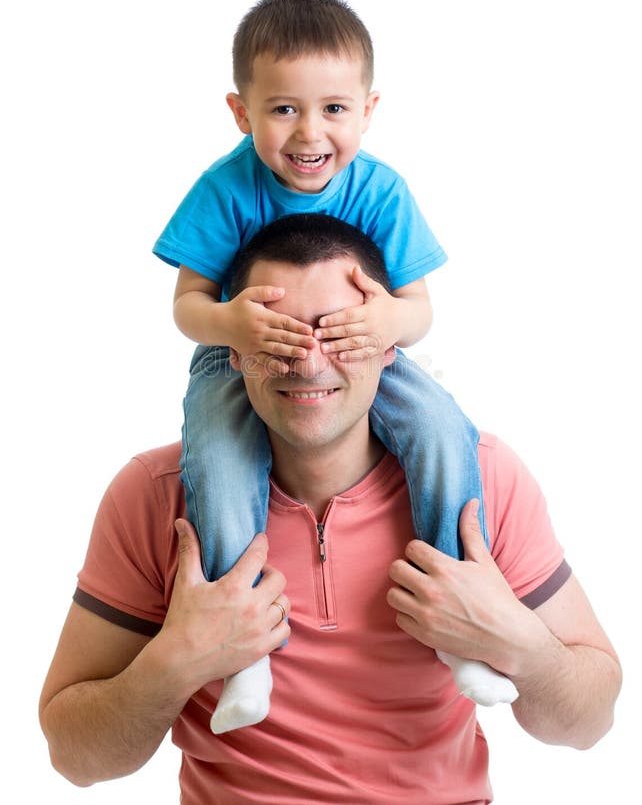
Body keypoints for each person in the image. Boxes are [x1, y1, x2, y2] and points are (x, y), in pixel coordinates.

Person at [39, 214, 621, 803]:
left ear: (390, 345)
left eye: (339, 331)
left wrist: (515, 640)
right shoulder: (154, 493)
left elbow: (588, 723)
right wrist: (176, 661)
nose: (309, 361)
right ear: (233, 352)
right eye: (276, 334)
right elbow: (75, 759)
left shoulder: (482, 478)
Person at [152, 0, 512, 733]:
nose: (309, 133)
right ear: (240, 111)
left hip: (356, 357)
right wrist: (229, 323)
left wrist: (386, 319)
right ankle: (241, 643)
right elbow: (186, 306)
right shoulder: (226, 189)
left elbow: (419, 310)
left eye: (334, 110)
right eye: (283, 109)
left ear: (369, 110)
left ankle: (457, 609)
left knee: (444, 428)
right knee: (216, 457)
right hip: (245, 357)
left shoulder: (380, 189)